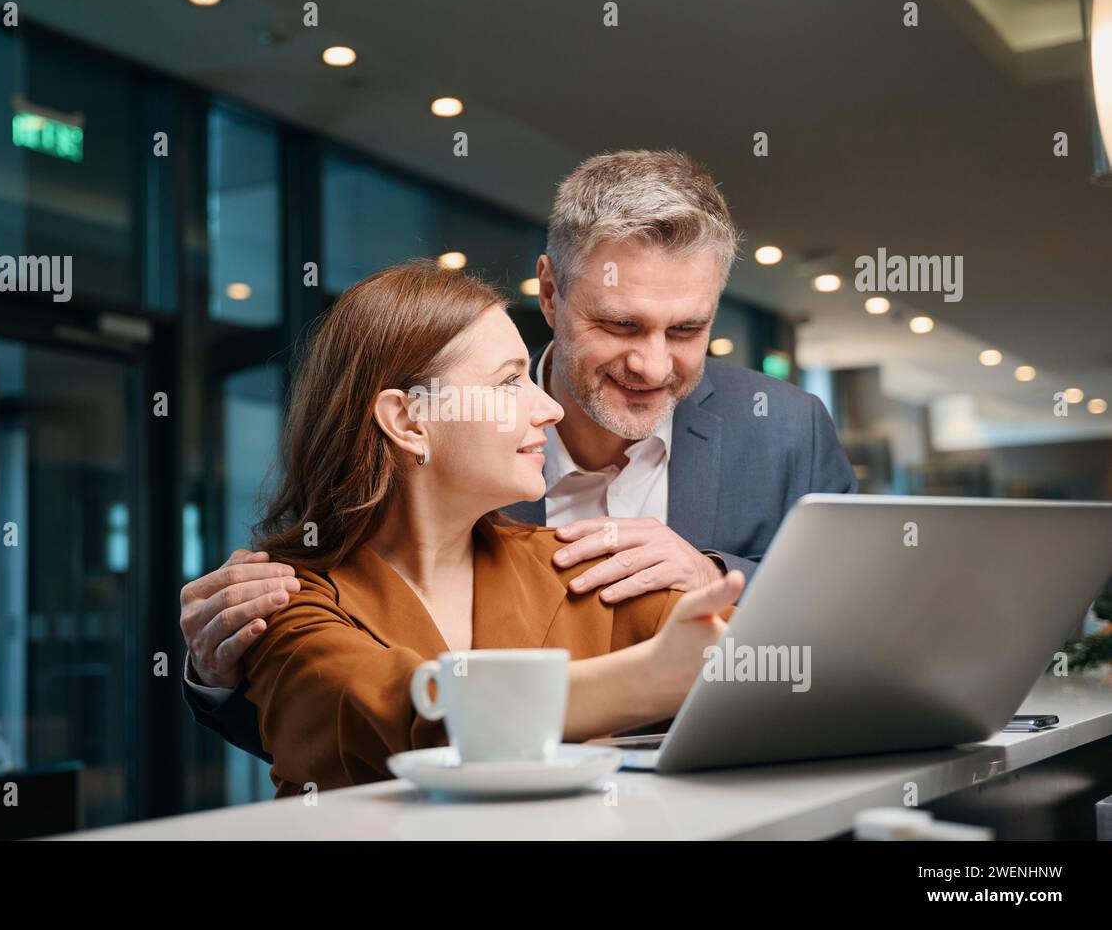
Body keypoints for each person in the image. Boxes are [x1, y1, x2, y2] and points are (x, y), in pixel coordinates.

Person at [181, 149, 855, 760]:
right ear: (552, 292)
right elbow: (353, 715)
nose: (653, 364)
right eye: (619, 323)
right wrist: (224, 674)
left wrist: (711, 578)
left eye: (687, 329)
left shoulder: (563, 559)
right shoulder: (298, 594)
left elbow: (841, 652)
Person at [213, 261, 742, 795]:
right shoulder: (284, 602)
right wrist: (644, 680)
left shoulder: (579, 567)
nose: (551, 408)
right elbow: (410, 716)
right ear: (407, 420)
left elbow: (783, 661)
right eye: (510, 381)